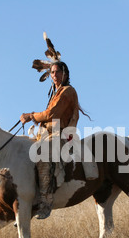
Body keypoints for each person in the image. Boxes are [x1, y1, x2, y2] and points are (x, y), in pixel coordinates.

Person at [20, 33, 89, 220]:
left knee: (42, 155)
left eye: (57, 72)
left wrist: (31, 115)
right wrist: (36, 119)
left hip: (64, 135)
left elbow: (52, 114)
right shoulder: (56, 93)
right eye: (52, 72)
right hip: (50, 133)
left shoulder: (68, 91)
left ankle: (46, 201)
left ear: (65, 74)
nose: (54, 75)